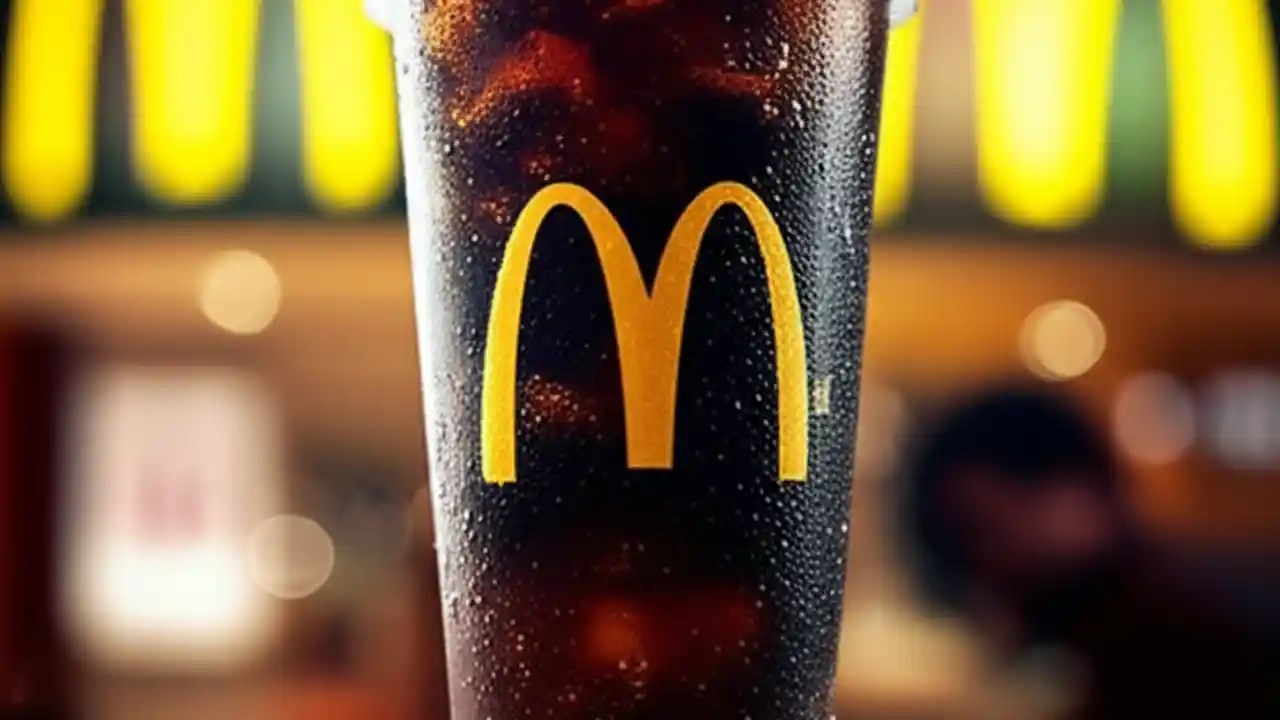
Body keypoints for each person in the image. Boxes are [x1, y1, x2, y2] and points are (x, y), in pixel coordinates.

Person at [901, 387, 1276, 719]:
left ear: (1072, 489)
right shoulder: (1158, 617)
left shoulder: (1173, 643)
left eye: (980, 530)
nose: (984, 564)